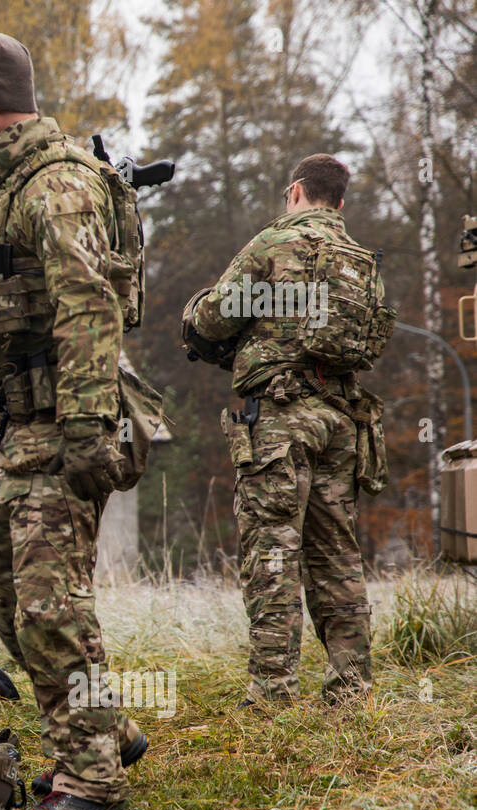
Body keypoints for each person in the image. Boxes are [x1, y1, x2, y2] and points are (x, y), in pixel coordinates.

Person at [0, 32, 143, 810]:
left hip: (61, 429)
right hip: (14, 429)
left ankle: (90, 783)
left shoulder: (55, 187)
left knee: (53, 613)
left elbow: (89, 307)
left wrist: (88, 426)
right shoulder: (3, 188)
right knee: (9, 596)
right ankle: (106, 729)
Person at [182, 153, 393, 706]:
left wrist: (199, 314)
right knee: (337, 555)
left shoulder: (274, 244)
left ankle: (273, 691)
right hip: (342, 421)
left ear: (295, 192)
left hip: (281, 420)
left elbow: (213, 319)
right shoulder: (360, 260)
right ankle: (352, 689)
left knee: (273, 551)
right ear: (340, 202)